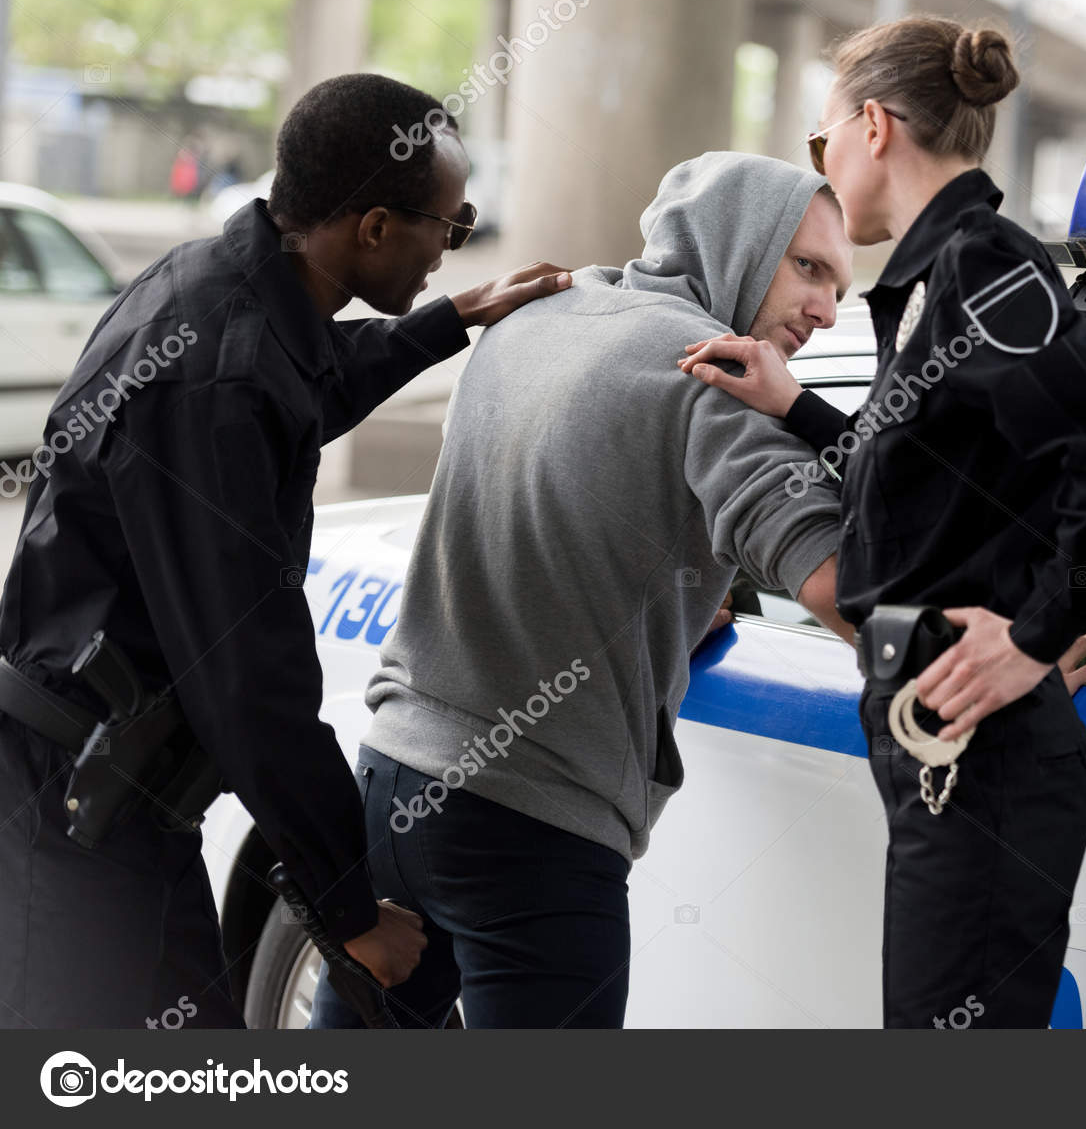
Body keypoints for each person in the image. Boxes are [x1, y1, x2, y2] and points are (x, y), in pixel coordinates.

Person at [0, 73, 571, 1029]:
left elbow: (304, 384)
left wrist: (449, 321)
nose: (451, 244)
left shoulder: (222, 288)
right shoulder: (218, 377)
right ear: (376, 228)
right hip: (69, 812)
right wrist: (347, 910)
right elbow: (248, 674)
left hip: (124, 799)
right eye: (451, 224)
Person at [680, 17, 1086, 1028]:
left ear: (872, 126)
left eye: (820, 137)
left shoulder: (980, 264)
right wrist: (798, 407)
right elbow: (938, 481)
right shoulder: (937, 274)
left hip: (982, 746)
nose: (818, 162)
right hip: (945, 742)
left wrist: (1037, 636)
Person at [307, 152, 855, 1030]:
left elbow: (559, 509)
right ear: (739, 242)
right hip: (531, 834)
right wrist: (994, 667)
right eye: (809, 268)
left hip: (391, 786)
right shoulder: (712, 378)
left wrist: (665, 609)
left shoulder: (535, 315)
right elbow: (844, 590)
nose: (827, 309)